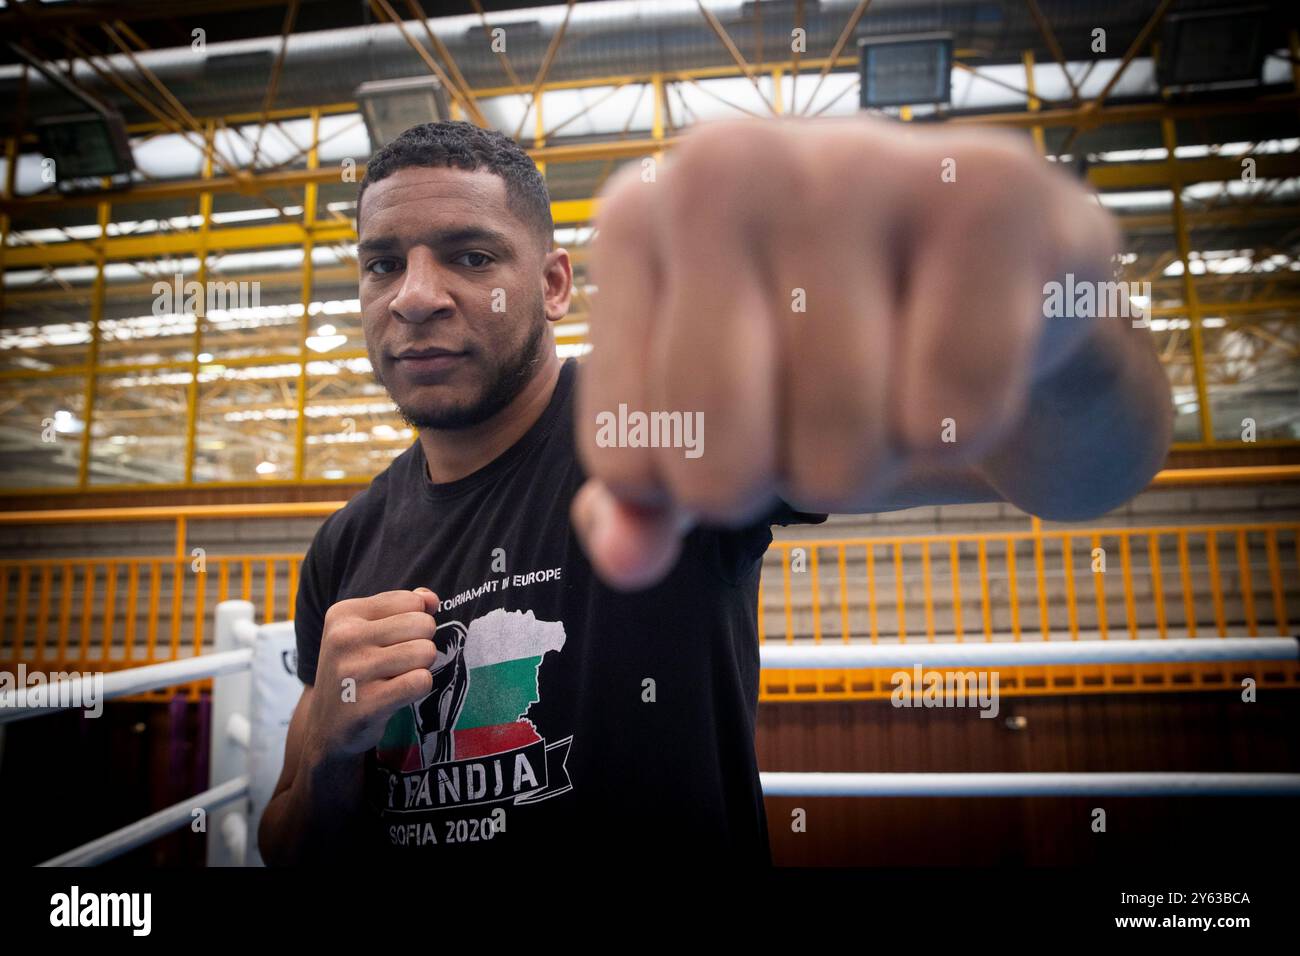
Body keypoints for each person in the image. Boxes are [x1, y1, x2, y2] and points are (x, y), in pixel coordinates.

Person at [257, 117, 1172, 866]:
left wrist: (1062, 329)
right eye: (383, 264)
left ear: (555, 284)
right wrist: (332, 755)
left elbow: (1088, 471)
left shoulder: (659, 426)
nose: (416, 295)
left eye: (469, 256)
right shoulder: (346, 544)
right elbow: (286, 843)